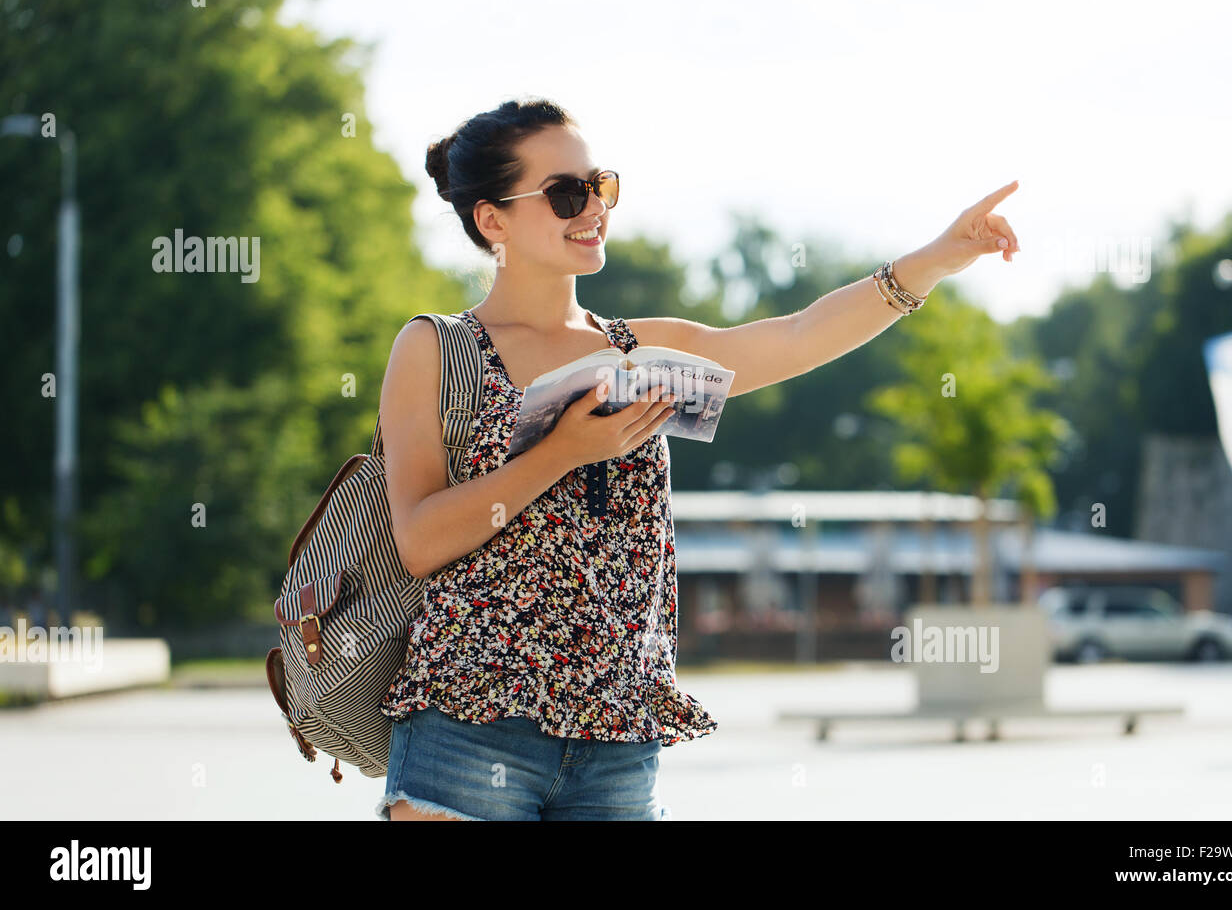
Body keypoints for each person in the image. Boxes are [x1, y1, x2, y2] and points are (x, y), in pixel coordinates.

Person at [374, 97, 1020, 821]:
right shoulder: (435, 348)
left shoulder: (641, 350)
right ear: (492, 220)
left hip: (619, 741)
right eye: (565, 193)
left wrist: (938, 257)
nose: (592, 208)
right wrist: (564, 452)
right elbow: (419, 540)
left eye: (600, 185)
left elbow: (800, 336)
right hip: (468, 730)